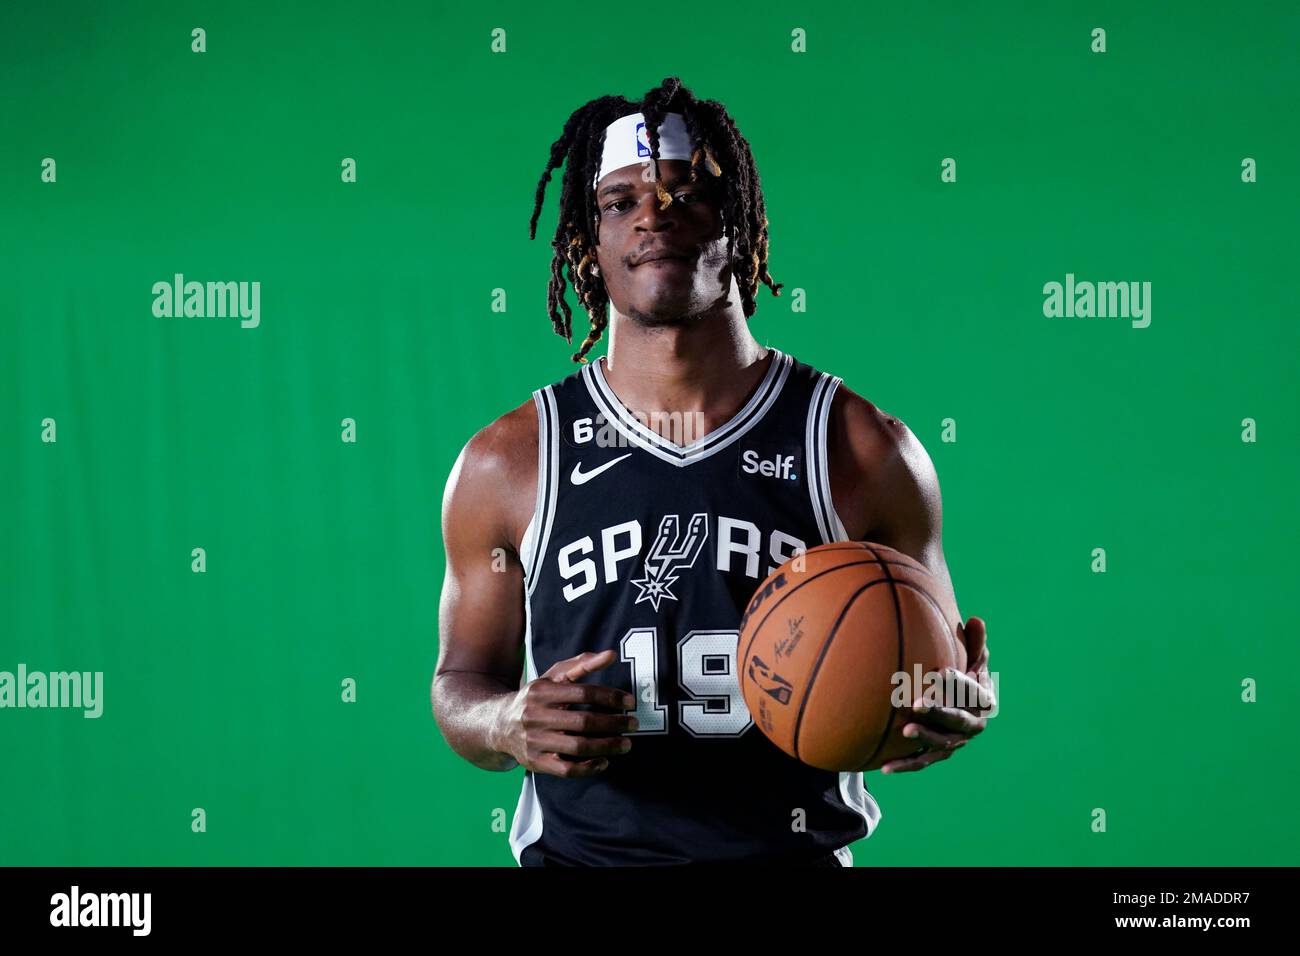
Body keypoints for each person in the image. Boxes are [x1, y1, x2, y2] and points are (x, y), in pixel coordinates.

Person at [432, 76, 994, 866]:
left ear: (740, 224)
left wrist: (957, 701)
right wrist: (507, 722)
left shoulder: (861, 447)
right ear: (585, 245)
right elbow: (461, 681)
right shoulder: (510, 459)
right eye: (620, 202)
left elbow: (936, 673)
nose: (653, 217)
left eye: (687, 193)